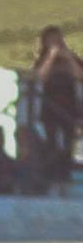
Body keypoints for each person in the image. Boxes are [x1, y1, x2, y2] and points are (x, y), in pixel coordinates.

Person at [28, 26, 80, 197]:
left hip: (69, 109)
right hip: (49, 108)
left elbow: (80, 75)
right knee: (51, 145)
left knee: (68, 144)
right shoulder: (42, 59)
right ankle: (51, 180)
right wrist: (51, 56)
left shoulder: (71, 58)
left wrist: (68, 57)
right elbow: (39, 77)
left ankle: (65, 178)